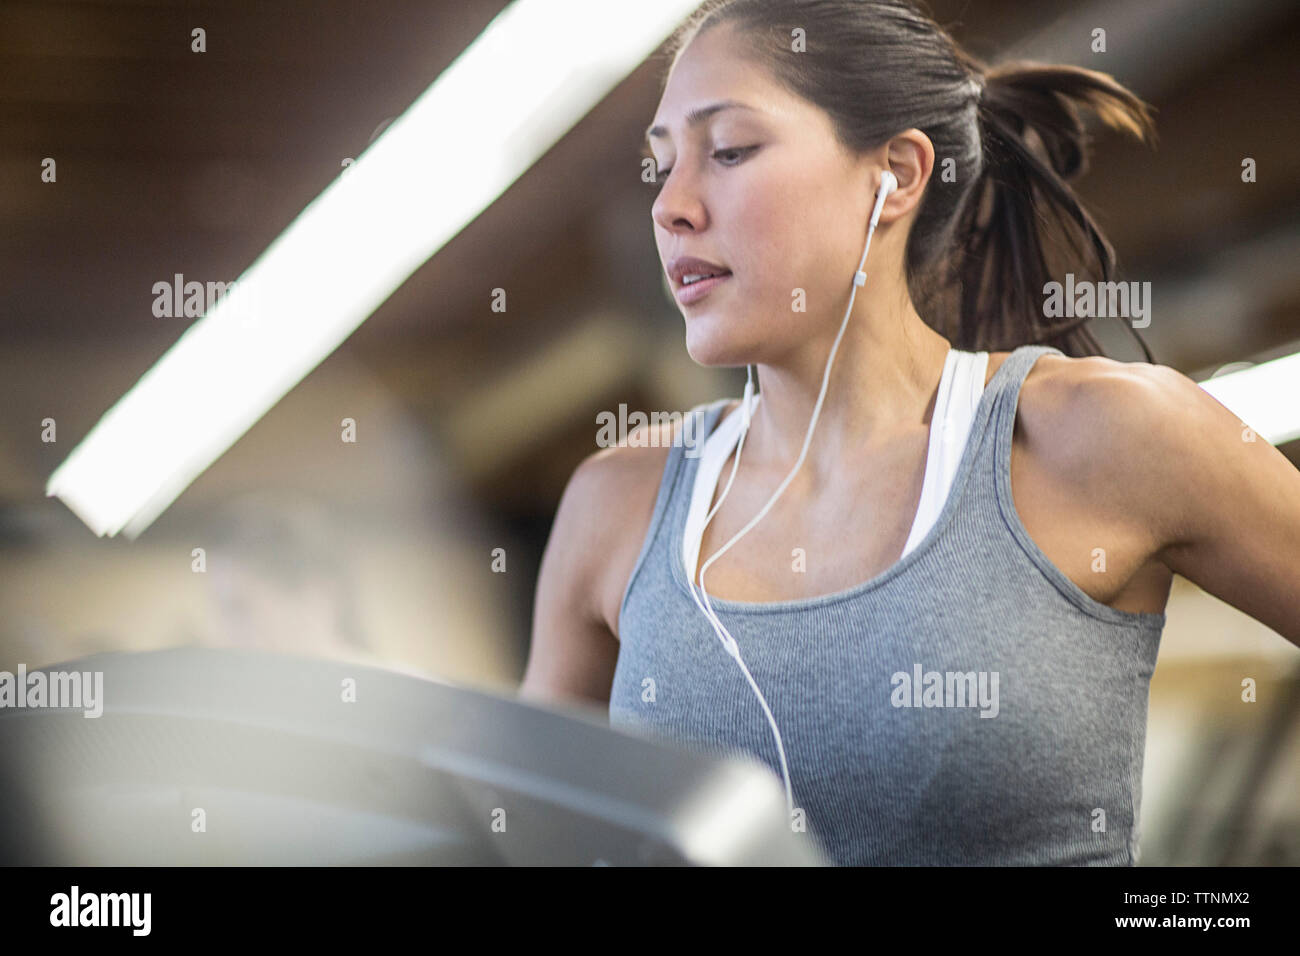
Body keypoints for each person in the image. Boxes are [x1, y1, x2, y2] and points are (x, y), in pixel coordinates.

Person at [520, 0, 1300, 865]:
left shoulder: (1103, 437)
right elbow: (526, 842)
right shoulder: (617, 503)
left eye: (730, 150)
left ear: (893, 174)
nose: (672, 206)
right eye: (661, 167)